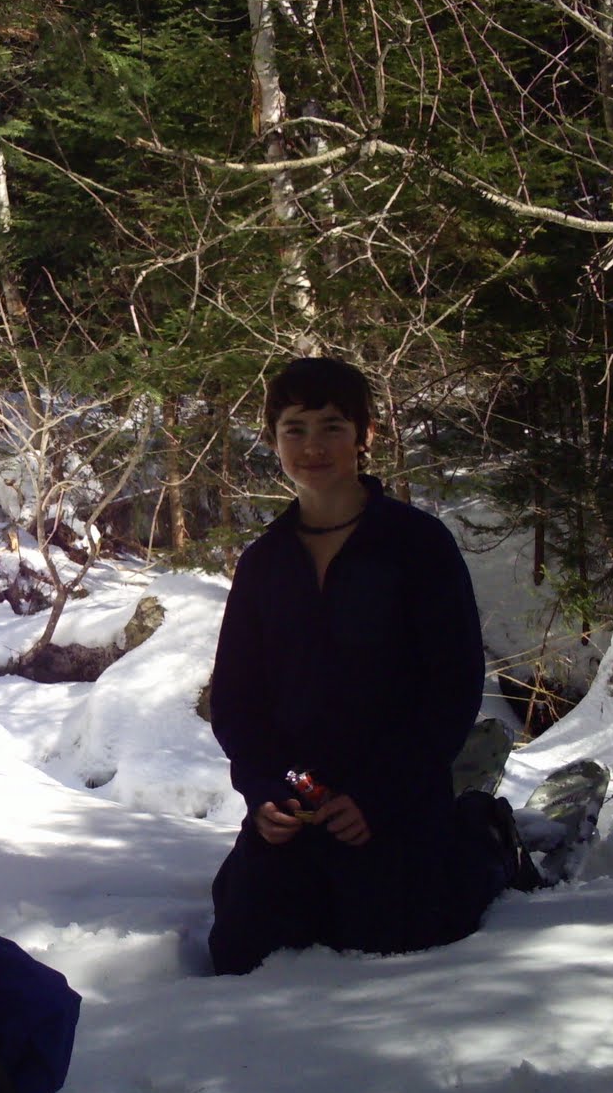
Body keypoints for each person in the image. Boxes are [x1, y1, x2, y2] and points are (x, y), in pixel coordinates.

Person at [207, 356, 489, 976]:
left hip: (396, 798)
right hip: (298, 800)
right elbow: (236, 698)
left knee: (389, 943)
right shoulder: (264, 562)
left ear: (366, 436)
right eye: (295, 428)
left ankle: (487, 838)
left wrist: (379, 796)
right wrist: (262, 792)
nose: (313, 446)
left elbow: (453, 689)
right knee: (240, 950)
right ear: (273, 439)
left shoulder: (416, 545)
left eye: (333, 426)